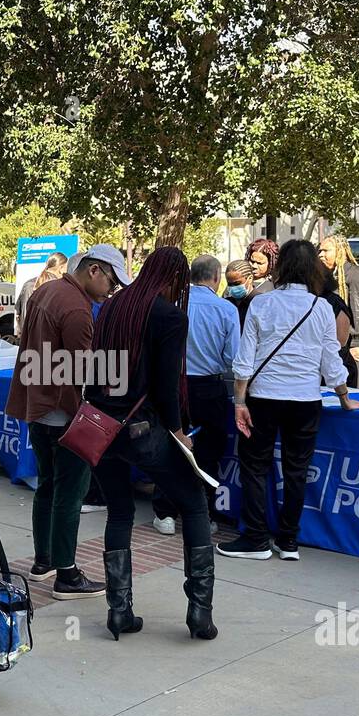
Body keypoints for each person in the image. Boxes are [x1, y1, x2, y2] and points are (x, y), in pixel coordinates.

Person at [82, 247, 219, 641]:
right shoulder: (170, 316)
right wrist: (178, 431)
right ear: (176, 278)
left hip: (104, 427)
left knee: (120, 512)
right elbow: (165, 385)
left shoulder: (113, 306)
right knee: (192, 503)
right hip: (144, 429)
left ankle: (119, 610)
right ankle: (199, 611)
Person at [218, 240, 359, 563]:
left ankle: (256, 538)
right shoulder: (321, 308)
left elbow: (245, 360)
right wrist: (345, 398)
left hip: (264, 398)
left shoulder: (262, 304)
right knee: (297, 470)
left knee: (254, 467)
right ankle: (288, 541)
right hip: (305, 400)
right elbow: (332, 360)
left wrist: (239, 401)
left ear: (280, 266)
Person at [4, 245, 118, 597]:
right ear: (94, 270)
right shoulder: (77, 308)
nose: (112, 289)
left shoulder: (47, 291)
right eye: (111, 280)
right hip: (67, 413)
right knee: (70, 492)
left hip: (38, 407)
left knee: (48, 484)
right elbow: (86, 370)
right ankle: (67, 574)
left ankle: (45, 559)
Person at [151, 254, 240, 535]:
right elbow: (232, 357)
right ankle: (204, 514)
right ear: (216, 278)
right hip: (209, 388)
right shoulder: (225, 310)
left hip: (173, 385)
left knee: (170, 447)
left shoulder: (173, 305)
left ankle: (165, 512)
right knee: (209, 452)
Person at [319, 236, 359, 387]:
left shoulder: (355, 275)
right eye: (319, 250)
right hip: (334, 341)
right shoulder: (327, 275)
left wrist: (356, 344)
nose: (321, 254)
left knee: (349, 385)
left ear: (339, 251)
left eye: (326, 250)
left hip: (352, 342)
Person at [15, 253, 68, 336]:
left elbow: (19, 313)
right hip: (49, 340)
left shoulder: (29, 284)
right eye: (66, 268)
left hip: (27, 339)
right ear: (61, 268)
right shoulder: (59, 287)